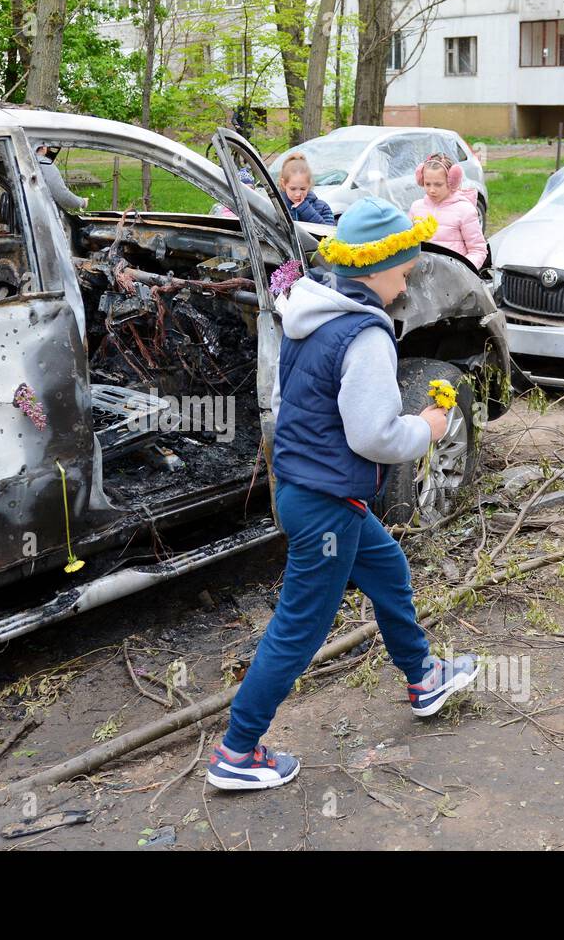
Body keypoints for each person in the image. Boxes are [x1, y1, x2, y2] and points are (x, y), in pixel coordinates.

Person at [206, 195, 483, 791]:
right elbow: (376, 434)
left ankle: (423, 678)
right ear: (378, 270)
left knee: (388, 569)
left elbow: (294, 410)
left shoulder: (311, 314)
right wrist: (429, 428)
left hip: (310, 492)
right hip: (328, 506)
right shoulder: (365, 336)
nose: (406, 282)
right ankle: (238, 749)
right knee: (299, 628)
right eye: (404, 273)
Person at [409, 153, 487, 269]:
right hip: (422, 277)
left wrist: (463, 271)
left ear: (452, 181)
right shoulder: (416, 207)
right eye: (427, 184)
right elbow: (409, 243)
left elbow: (478, 250)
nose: (431, 190)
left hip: (454, 279)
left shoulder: (464, 210)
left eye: (438, 184)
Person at [278, 152, 336, 225]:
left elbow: (327, 233)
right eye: (293, 189)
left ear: (309, 185)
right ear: (284, 184)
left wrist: (304, 208)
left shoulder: (322, 207)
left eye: (302, 189)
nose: (298, 194)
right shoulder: (276, 207)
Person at [35, 144, 88, 213]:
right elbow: (62, 196)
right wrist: (82, 202)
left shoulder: (26, 159)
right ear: (43, 147)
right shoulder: (43, 163)